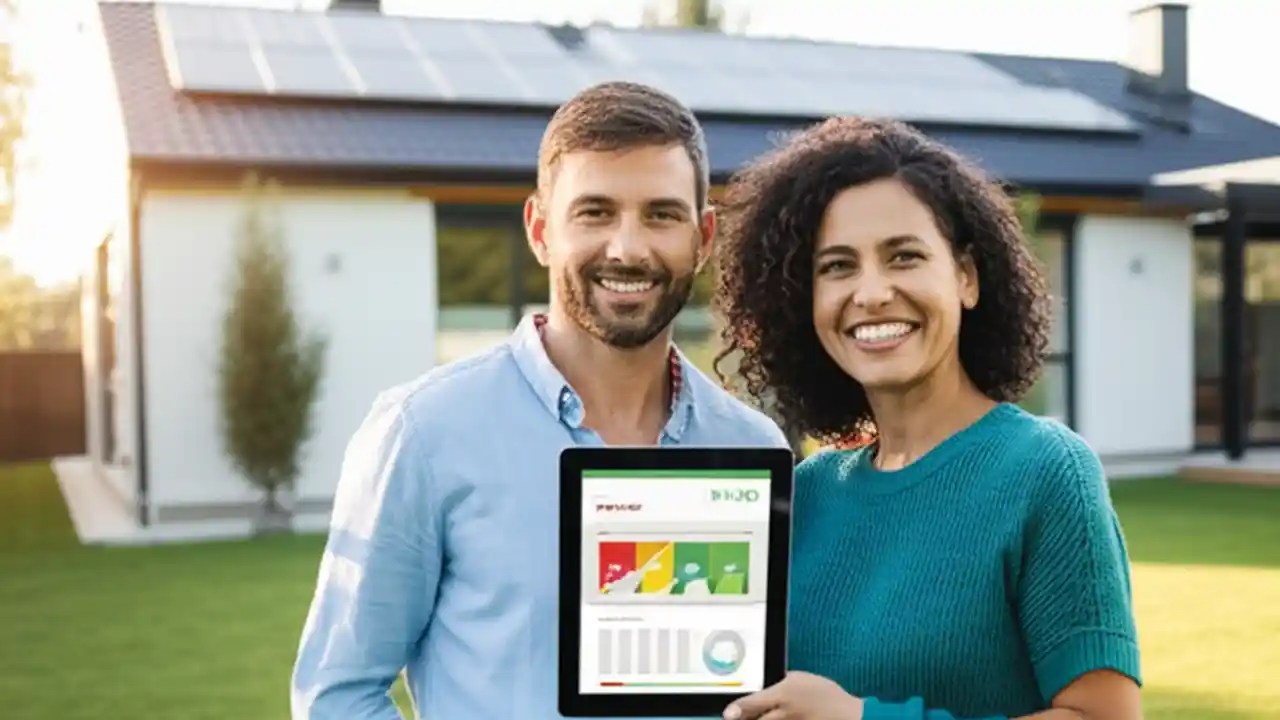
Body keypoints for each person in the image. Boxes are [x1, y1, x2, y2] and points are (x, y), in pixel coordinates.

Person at [289, 81, 789, 720]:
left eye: (661, 214)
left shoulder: (750, 448)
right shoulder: (423, 432)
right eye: (595, 212)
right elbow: (338, 694)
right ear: (540, 229)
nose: (628, 248)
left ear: (704, 237)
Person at [710, 117, 1143, 720]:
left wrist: (866, 719)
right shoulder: (801, 495)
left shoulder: (1045, 472)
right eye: (837, 266)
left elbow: (1104, 717)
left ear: (965, 276)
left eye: (904, 257)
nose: (872, 292)